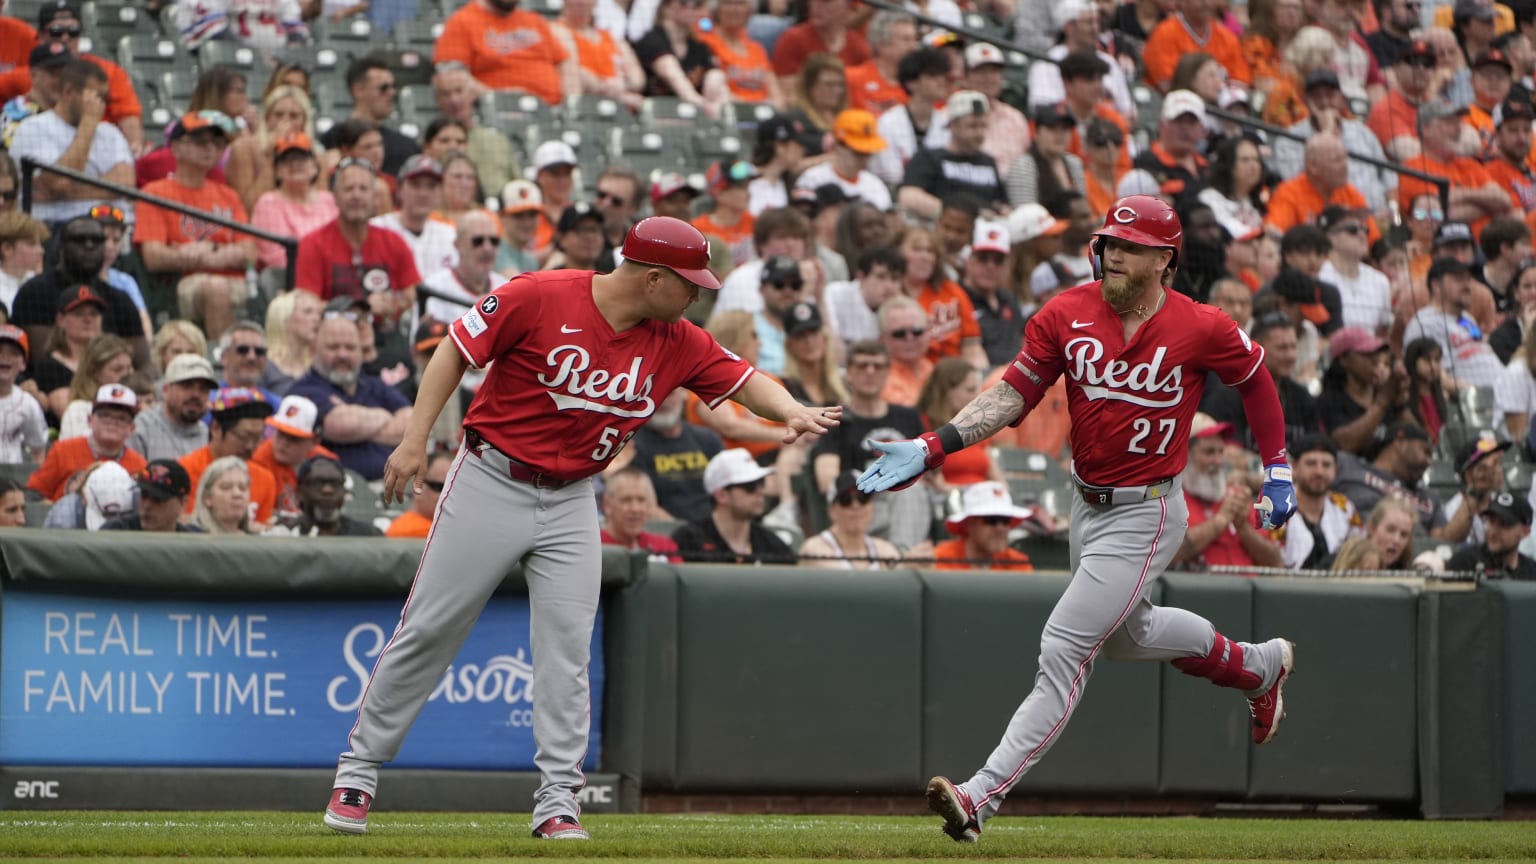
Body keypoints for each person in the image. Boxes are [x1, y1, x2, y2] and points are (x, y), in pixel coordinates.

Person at [323, 217, 838, 839]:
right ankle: (358, 773)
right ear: (653, 278)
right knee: (431, 627)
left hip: (572, 496)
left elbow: (744, 379)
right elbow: (454, 350)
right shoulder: (538, 294)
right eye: (690, 283)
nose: (698, 295)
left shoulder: (676, 337)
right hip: (491, 476)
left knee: (567, 650)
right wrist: (413, 439)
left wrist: (794, 410)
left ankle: (558, 800)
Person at [858, 195, 1299, 843]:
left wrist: (1279, 466)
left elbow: (1257, 378)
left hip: (1147, 510)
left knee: (1064, 648)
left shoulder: (1201, 325)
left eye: (1128, 247)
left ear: (1163, 259)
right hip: (1085, 502)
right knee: (1128, 635)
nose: (1112, 255)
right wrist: (933, 445)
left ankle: (982, 796)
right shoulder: (1066, 312)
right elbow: (1012, 395)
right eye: (1108, 244)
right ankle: (1258, 667)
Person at [136, 110, 256, 344]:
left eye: (217, 143)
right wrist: (190, 259)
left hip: (236, 281)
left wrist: (208, 253)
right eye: (201, 142)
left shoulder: (228, 195)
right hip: (180, 283)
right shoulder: (156, 193)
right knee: (216, 287)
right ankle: (224, 361)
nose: (209, 148)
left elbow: (251, 252)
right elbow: (153, 256)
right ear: (176, 148)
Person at [6, 59, 133, 226]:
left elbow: (125, 184)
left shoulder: (110, 132)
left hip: (110, 227)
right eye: (95, 97)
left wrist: (66, 193)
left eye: (104, 99)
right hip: (55, 227)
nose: (100, 105)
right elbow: (59, 184)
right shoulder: (33, 127)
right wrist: (87, 124)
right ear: (68, 91)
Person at [287, 315, 412, 481]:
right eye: (333, 347)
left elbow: (413, 425)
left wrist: (361, 428)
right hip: (334, 490)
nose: (342, 354)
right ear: (313, 350)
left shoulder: (374, 385)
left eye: (350, 347)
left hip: (391, 486)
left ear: (361, 351)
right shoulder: (303, 390)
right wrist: (386, 415)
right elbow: (342, 426)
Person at [1173, 413, 1284, 569]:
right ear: (1185, 454)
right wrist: (1218, 523)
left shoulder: (1236, 497)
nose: (1218, 461)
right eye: (1209, 452)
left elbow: (1277, 563)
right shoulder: (1170, 499)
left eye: (1221, 452)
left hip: (1247, 589)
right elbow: (1166, 557)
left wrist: (1244, 528)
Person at [435, 0, 577, 108]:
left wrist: (572, 102)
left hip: (553, 110)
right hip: (499, 110)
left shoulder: (534, 20)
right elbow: (452, 77)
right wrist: (499, 97)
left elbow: (564, 62)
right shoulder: (462, 21)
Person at [672, 447, 798, 564]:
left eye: (761, 483)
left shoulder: (772, 545)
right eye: (750, 486)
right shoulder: (689, 540)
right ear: (721, 495)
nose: (760, 492)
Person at [178, 387, 279, 527]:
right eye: (243, 437)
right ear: (216, 429)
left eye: (257, 438)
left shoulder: (265, 479)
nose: (250, 446)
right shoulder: (185, 471)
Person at [27, 383, 147, 501]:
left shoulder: (139, 466)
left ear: (131, 428)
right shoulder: (63, 451)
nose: (112, 423)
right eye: (105, 415)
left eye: (121, 418)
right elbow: (35, 493)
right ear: (90, 420)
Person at [1332, 421, 1444, 535]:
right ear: (1400, 443)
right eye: (1426, 452)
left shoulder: (1430, 500)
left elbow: (1442, 542)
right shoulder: (1346, 466)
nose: (1429, 462)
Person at [1270, 434, 1361, 569]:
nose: (1319, 471)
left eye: (1326, 465)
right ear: (1294, 467)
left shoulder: (1345, 507)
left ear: (1335, 469)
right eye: (1311, 463)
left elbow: (1359, 550)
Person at [371, 155, 457, 286]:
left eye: (431, 186)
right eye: (416, 185)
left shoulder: (450, 235)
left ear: (440, 192)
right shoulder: (376, 229)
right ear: (399, 189)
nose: (424, 193)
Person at [799, 470, 902, 568]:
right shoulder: (815, 550)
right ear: (832, 511)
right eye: (846, 500)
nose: (855, 506)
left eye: (863, 498)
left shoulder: (885, 551)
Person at [252, 394, 332, 520]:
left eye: (294, 438)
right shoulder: (259, 462)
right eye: (280, 434)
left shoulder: (326, 464)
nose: (283, 443)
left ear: (315, 441)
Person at [125, 353, 216, 462]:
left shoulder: (210, 435)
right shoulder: (142, 428)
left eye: (203, 389)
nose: (196, 394)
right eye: (187, 386)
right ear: (165, 390)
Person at [269, 454, 382, 536]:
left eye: (335, 483)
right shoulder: (284, 534)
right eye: (318, 483)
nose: (328, 490)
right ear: (299, 492)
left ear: (344, 490)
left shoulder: (368, 535)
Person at [1445, 491, 1536, 579]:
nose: (1493, 531)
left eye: (1504, 524)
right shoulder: (1465, 562)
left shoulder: (1532, 572)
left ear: (1525, 532)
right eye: (1491, 522)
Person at [598, 466, 682, 561]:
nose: (635, 509)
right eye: (626, 500)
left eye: (641, 500)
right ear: (607, 505)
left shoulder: (664, 547)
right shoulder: (594, 547)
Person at [100, 459, 202, 532]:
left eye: (158, 499)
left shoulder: (195, 542)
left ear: (182, 504)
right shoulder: (116, 533)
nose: (147, 506)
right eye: (144, 495)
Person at [384, 451, 452, 538]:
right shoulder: (410, 530)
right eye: (438, 487)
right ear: (417, 485)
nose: (447, 494)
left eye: (453, 489)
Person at [190, 454, 254, 534]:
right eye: (226, 487)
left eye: (242, 488)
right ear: (207, 498)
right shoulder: (190, 536)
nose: (237, 494)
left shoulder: (257, 540)